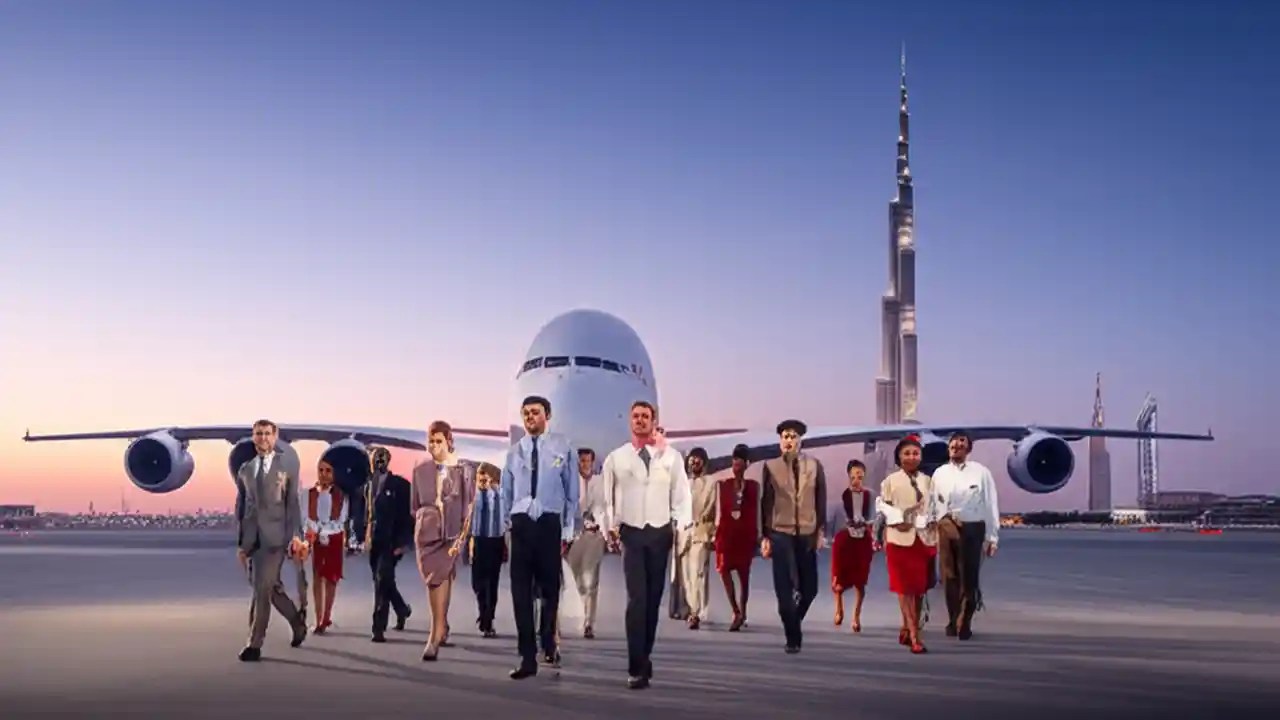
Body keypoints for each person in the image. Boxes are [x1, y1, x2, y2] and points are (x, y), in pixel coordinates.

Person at [603, 401, 693, 690]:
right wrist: (610, 526)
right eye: (636, 416)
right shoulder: (616, 458)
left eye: (645, 416)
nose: (640, 420)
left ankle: (644, 656)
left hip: (660, 533)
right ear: (630, 421)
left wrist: (681, 527)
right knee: (636, 599)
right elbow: (607, 498)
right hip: (631, 533)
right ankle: (635, 667)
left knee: (653, 601)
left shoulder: (671, 457)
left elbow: (681, 496)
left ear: (654, 422)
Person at [501, 395, 578, 679]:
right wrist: (506, 523)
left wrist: (568, 526)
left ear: (548, 415)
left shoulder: (563, 447)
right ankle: (526, 657)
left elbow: (571, 491)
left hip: (548, 522)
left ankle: (548, 639)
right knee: (520, 592)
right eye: (525, 413)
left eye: (535, 412)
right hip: (521, 524)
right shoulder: (514, 452)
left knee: (550, 589)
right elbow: (506, 491)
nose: (530, 417)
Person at [234, 419, 307, 661]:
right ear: (253, 437)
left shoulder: (286, 467)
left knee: (261, 590)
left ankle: (254, 644)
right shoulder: (245, 469)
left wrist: (296, 536)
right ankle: (297, 622)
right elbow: (242, 507)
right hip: (252, 540)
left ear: (275, 437)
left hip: (276, 538)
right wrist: (242, 544)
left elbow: (293, 504)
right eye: (258, 433)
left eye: (267, 433)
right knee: (271, 588)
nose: (263, 438)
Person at [760, 419, 827, 654]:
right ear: (780, 441)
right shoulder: (771, 467)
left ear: (800, 440)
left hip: (807, 532)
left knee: (810, 589)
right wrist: (764, 537)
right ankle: (793, 638)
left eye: (793, 436)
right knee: (784, 589)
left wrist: (820, 531)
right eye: (785, 437)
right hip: (780, 532)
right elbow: (765, 503)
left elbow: (820, 499)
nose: (789, 441)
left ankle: (793, 622)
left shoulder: (814, 466)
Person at [411, 420, 477, 661]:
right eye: (431, 441)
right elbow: (414, 505)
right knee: (434, 580)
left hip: (452, 533)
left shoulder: (463, 470)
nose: (434, 445)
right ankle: (442, 625)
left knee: (441, 578)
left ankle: (434, 634)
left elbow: (468, 506)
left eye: (438, 441)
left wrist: (463, 536)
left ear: (449, 441)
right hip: (427, 533)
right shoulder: (420, 469)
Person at [932, 430, 999, 640]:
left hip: (972, 526)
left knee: (969, 577)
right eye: (953, 442)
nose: (957, 445)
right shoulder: (940, 473)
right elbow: (932, 503)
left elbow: (990, 504)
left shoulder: (981, 473)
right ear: (948, 447)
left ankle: (965, 619)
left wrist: (992, 537)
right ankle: (953, 618)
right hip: (946, 525)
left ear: (968, 449)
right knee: (948, 576)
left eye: (962, 442)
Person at [879, 434, 938, 654]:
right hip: (898, 540)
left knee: (919, 589)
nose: (911, 457)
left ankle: (909, 627)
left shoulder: (928, 481)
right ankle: (915, 636)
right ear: (899, 457)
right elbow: (883, 512)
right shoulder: (890, 482)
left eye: (915, 453)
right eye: (907, 453)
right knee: (904, 589)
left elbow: (934, 509)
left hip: (923, 540)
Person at [365, 446, 413, 643]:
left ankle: (378, 628)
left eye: (382, 458)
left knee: (381, 580)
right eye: (375, 458)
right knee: (384, 582)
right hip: (375, 541)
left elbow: (407, 517)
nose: (378, 462)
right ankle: (402, 609)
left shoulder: (400, 485)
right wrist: (364, 536)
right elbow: (368, 514)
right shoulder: (369, 485)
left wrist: (403, 543)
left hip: (391, 541)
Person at [714, 443, 758, 632]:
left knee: (744, 575)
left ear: (747, 464)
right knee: (723, 569)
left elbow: (757, 512)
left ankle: (743, 611)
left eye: (739, 462)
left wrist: (758, 536)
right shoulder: (723, 485)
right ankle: (735, 610)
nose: (736, 465)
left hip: (744, 536)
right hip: (726, 535)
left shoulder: (753, 487)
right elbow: (718, 511)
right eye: (734, 461)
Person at [566, 447, 608, 639]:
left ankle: (588, 622)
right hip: (574, 536)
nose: (584, 464)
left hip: (593, 536)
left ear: (593, 462)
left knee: (591, 580)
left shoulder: (600, 482)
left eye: (587, 461)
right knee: (578, 581)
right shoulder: (570, 482)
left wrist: (604, 529)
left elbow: (603, 507)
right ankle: (581, 614)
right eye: (581, 461)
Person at [831, 459, 875, 633]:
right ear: (849, 476)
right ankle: (838, 608)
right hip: (845, 539)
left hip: (862, 539)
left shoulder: (869, 496)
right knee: (839, 578)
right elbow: (837, 518)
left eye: (860, 476)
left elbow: (873, 517)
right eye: (854, 476)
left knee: (860, 581)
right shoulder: (843, 496)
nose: (857, 479)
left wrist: (867, 524)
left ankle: (856, 616)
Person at [305, 458, 348, 634]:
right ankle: (318, 618)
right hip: (316, 539)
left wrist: (325, 532)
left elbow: (341, 520)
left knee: (331, 578)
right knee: (317, 577)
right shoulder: (310, 493)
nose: (324, 474)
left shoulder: (341, 495)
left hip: (334, 538)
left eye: (328, 471)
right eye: (321, 470)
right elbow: (307, 517)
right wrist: (315, 532)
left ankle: (326, 617)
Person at [679, 447, 717, 629]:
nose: (694, 462)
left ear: (704, 462)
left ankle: (697, 612)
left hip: (701, 532)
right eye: (691, 459)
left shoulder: (711, 483)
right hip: (683, 534)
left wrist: (712, 531)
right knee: (686, 576)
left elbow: (713, 507)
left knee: (698, 572)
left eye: (698, 459)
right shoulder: (683, 484)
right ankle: (691, 609)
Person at [469, 461, 506, 639]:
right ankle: (482, 611)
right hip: (478, 540)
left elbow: (506, 517)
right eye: (479, 476)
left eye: (485, 475)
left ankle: (488, 618)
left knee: (491, 582)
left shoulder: (500, 494)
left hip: (495, 540)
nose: (482, 479)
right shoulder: (473, 494)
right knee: (477, 582)